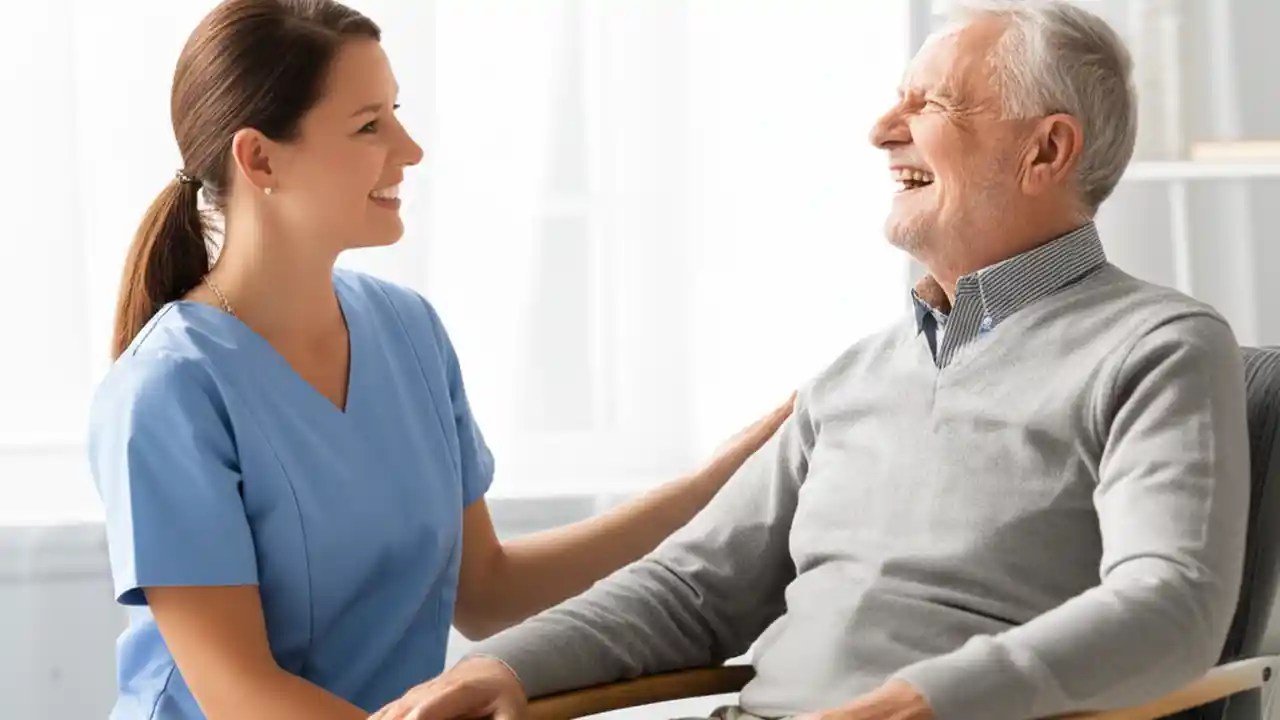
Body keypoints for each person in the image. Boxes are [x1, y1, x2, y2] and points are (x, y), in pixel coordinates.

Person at [375, 2, 1251, 719]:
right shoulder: (855, 376)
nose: (881, 130)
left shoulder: (1158, 347)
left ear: (1047, 151)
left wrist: (927, 702)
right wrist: (501, 669)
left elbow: (1171, 604)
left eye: (932, 105)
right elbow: (690, 590)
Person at [86, 1, 792, 718]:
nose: (410, 148)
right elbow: (241, 693)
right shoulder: (168, 388)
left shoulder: (408, 331)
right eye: (369, 125)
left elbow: (486, 591)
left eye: (395, 112)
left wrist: (712, 485)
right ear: (260, 158)